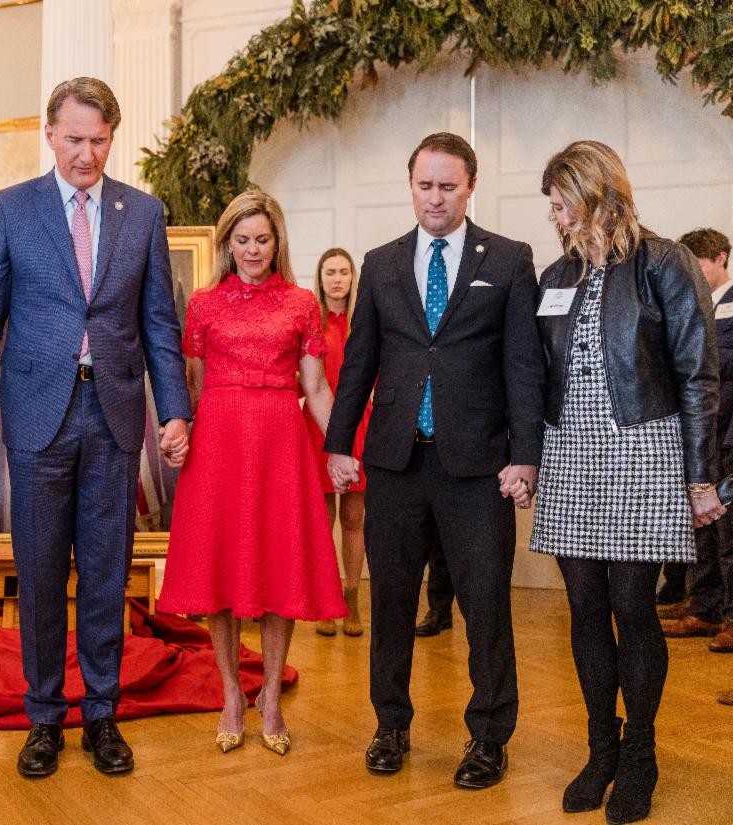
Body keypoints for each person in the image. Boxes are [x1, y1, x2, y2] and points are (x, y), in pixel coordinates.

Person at [0, 77, 192, 778]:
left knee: (108, 572)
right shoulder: (13, 209)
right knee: (43, 568)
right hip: (37, 415)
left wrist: (174, 407)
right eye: (75, 139)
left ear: (112, 138)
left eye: (99, 140)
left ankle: (104, 714)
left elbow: (158, 323)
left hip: (112, 414)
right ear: (49, 134)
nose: (86, 153)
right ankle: (44, 716)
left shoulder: (141, 212)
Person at [327, 132, 544, 789]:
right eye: (426, 185)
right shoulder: (382, 261)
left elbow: (523, 367)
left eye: (449, 186)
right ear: (411, 185)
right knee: (389, 601)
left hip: (477, 466)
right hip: (394, 461)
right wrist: (340, 442)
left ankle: (488, 736)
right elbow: (359, 360)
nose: (436, 198)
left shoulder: (507, 259)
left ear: (470, 186)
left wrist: (526, 454)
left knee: (484, 606)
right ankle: (389, 724)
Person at [529, 141, 724, 824]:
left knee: (634, 608)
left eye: (559, 197)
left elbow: (698, 372)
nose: (552, 211)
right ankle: (600, 747)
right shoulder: (556, 272)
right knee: (584, 609)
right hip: (569, 450)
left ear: (594, 192)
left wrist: (701, 477)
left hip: (644, 447)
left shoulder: (663, 262)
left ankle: (640, 752)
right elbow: (535, 376)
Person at [158, 191, 345, 755]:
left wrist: (340, 450)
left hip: (279, 442)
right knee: (218, 568)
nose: (252, 250)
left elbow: (314, 386)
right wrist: (176, 431)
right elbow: (189, 385)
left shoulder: (301, 302)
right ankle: (232, 693)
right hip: (216, 439)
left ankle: (269, 696)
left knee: (278, 564)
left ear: (277, 242)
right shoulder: (205, 303)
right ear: (227, 244)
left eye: (262, 239)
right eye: (242, 240)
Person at [660, 228, 733, 655]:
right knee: (701, 527)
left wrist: (710, 359)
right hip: (693, 431)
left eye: (698, 265)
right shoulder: (683, 306)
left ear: (720, 258)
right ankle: (703, 605)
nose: (692, 273)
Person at [303, 247, 367, 639]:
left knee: (355, 520)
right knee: (322, 520)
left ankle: (352, 600)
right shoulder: (311, 322)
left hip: (361, 424)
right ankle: (325, 601)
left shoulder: (363, 320)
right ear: (321, 277)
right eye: (331, 272)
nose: (338, 279)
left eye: (344, 271)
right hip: (317, 426)